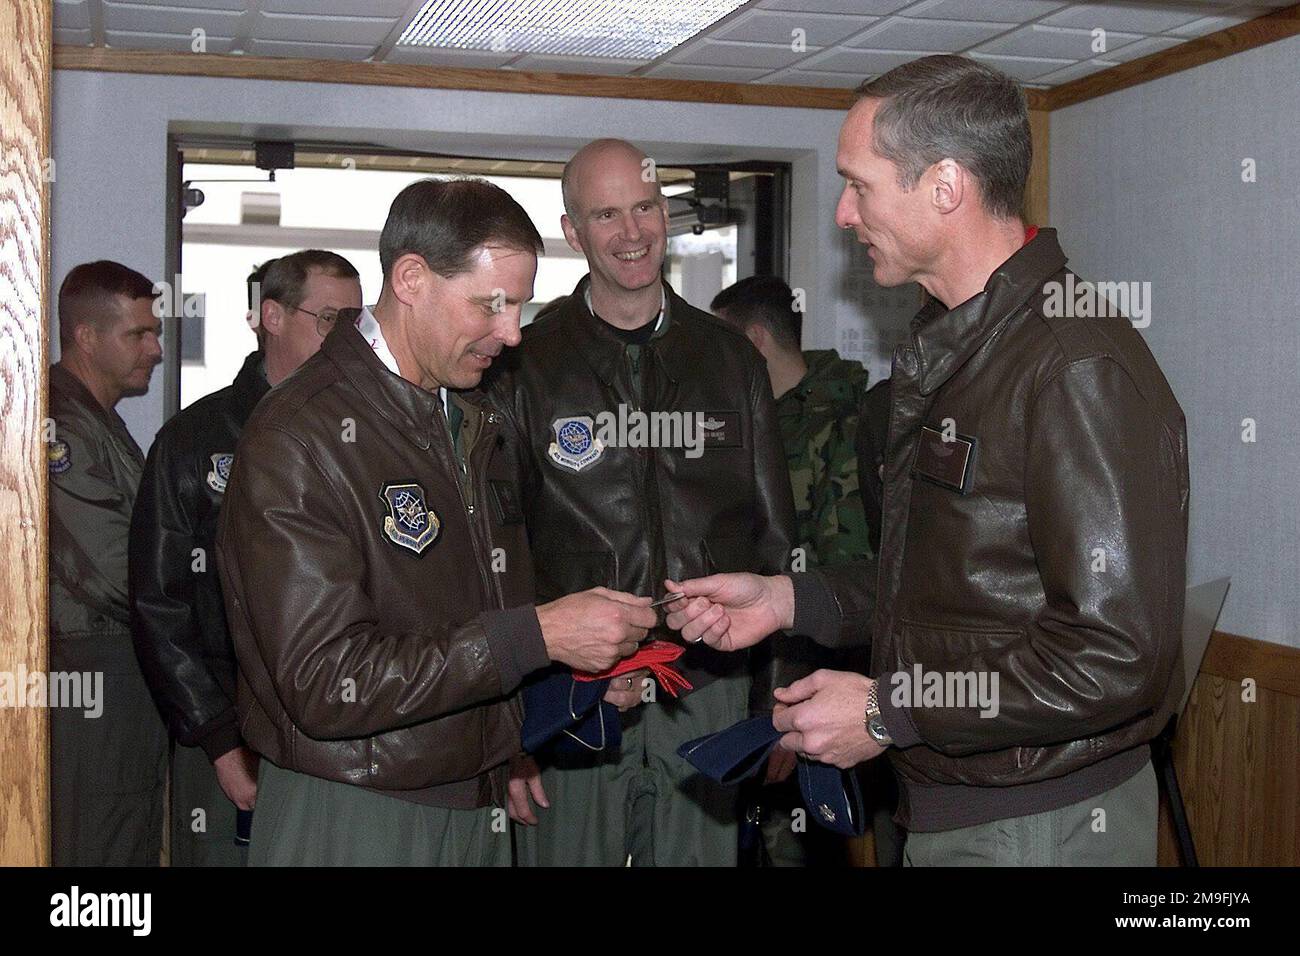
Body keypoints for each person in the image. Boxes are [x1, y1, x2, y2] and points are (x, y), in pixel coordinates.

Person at [666, 54, 1189, 867]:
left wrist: (888, 712)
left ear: (945, 187)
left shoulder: (1071, 364)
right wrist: (789, 599)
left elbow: (1115, 655)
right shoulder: (962, 345)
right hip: (967, 806)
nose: (843, 213)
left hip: (1036, 823)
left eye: (859, 185)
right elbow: (949, 587)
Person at [215, 178, 654, 866]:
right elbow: (324, 683)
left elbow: (465, 619)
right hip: (353, 811)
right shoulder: (300, 435)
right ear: (411, 279)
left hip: (473, 798)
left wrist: (565, 680)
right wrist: (536, 635)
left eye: (521, 307)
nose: (512, 333)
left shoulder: (471, 418)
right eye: (491, 305)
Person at [489, 139, 798, 867]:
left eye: (645, 208)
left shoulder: (730, 357)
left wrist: (778, 700)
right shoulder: (524, 363)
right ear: (573, 232)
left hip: (709, 683)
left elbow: (777, 538)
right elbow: (499, 552)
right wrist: (511, 727)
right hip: (577, 689)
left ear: (665, 214)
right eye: (606, 215)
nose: (631, 232)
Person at [129, 250, 362, 866]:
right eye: (330, 319)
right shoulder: (194, 440)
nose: (347, 338)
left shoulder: (365, 434)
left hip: (341, 735)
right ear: (273, 317)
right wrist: (219, 740)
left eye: (356, 321)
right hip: (230, 736)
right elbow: (159, 604)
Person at [712, 274, 874, 866]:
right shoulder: (751, 424)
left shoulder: (844, 424)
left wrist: (792, 704)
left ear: (754, 340)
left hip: (818, 686)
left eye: (724, 342)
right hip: (747, 670)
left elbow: (842, 580)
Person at [48, 259, 166, 865]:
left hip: (119, 667)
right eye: (138, 334)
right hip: (93, 668)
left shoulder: (97, 422)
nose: (155, 350)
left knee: (128, 834)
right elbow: (114, 570)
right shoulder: (60, 427)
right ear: (87, 337)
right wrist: (196, 613)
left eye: (155, 333)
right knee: (99, 846)